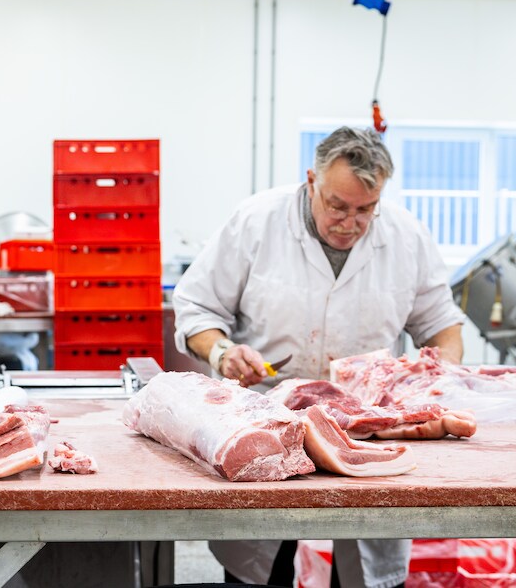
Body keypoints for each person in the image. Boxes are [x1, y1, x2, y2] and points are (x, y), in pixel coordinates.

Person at [172, 126, 464, 588]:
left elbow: (442, 326)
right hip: (265, 417)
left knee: (367, 575)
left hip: (365, 423)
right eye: (337, 206)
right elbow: (196, 308)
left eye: (366, 209)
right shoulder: (256, 221)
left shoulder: (407, 236)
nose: (350, 223)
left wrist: (435, 372)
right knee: (259, 570)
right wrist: (224, 351)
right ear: (312, 180)